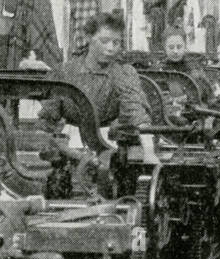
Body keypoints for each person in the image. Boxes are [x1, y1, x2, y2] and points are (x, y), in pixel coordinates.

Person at [40, 12, 159, 164]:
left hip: (111, 151)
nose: (110, 48)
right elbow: (47, 119)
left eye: (116, 43)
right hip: (69, 152)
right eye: (104, 41)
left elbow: (136, 111)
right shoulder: (64, 72)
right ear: (89, 38)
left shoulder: (123, 73)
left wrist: (149, 152)